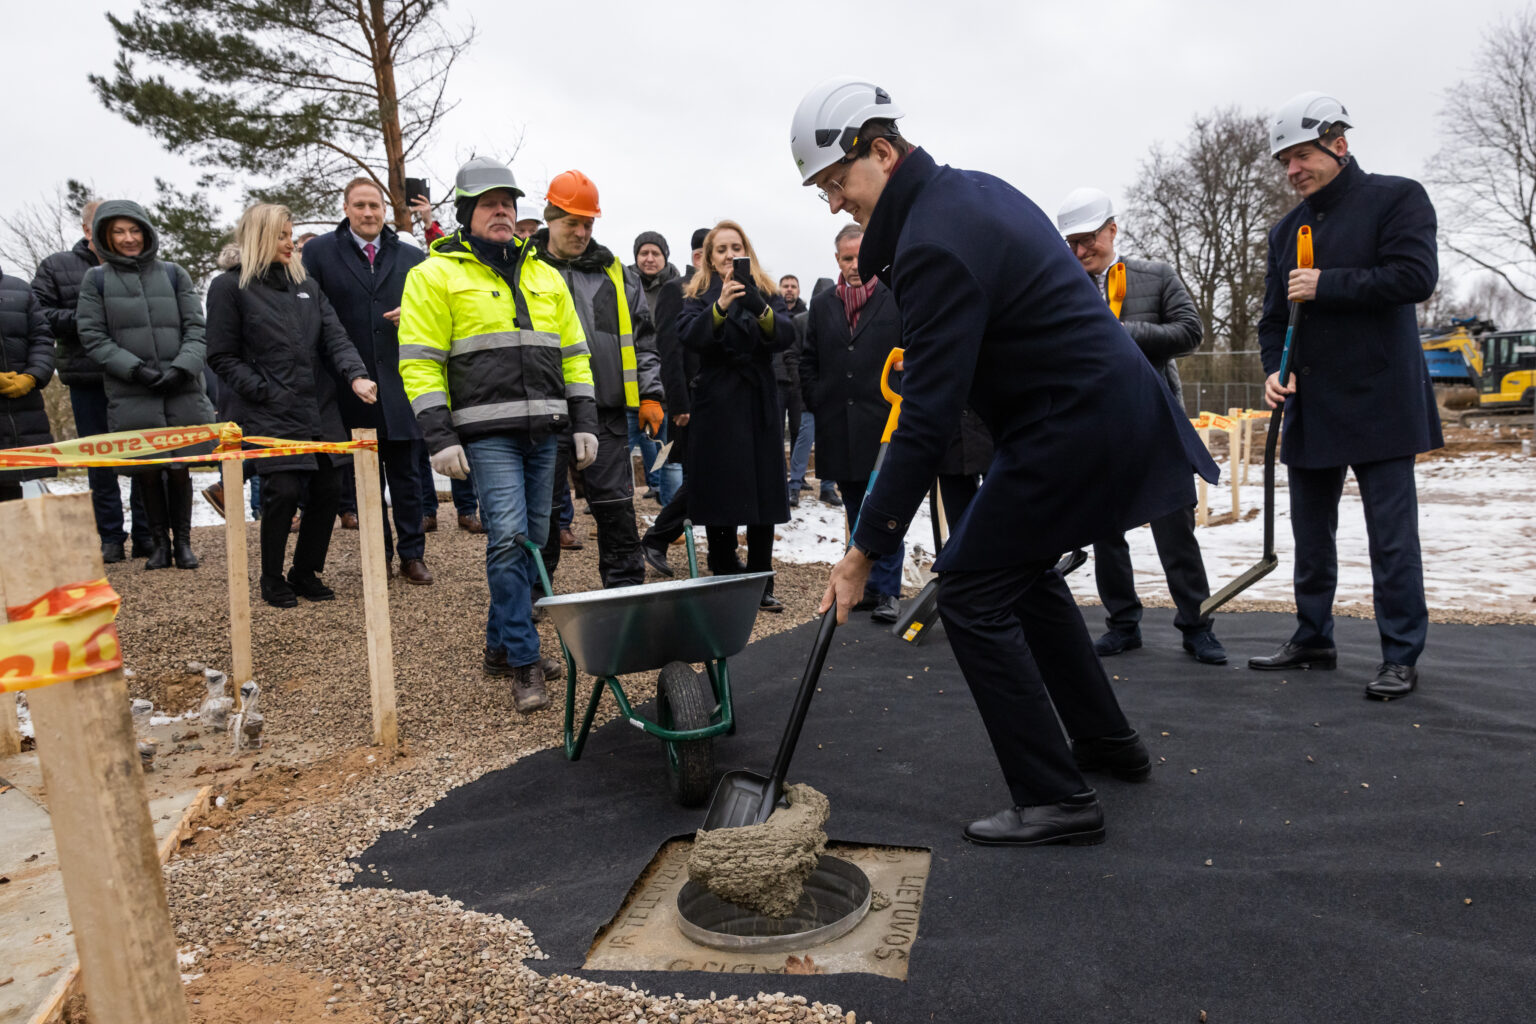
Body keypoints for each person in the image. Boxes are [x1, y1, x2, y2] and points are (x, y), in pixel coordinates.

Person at [794, 77, 1216, 846]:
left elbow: (923, 416)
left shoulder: (931, 241)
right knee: (1016, 578)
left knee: (969, 592)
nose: (833, 204)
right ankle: (1106, 743)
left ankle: (1056, 797)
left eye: (835, 182)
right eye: (822, 190)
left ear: (880, 152)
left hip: (1074, 423)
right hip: (1081, 415)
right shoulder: (966, 195)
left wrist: (863, 549)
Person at [1249, 93, 1441, 701]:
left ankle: (1400, 655)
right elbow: (1273, 318)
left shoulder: (1397, 197)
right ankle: (1313, 638)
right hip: (1311, 405)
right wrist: (1272, 372)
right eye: (1285, 161)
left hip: (1382, 398)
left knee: (1391, 537)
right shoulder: (1287, 231)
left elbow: (1415, 277)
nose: (1292, 170)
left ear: (1339, 145)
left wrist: (1327, 284)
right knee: (1312, 533)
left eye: (1302, 156)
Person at [399, 156, 595, 712]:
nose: (502, 213)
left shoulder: (544, 275)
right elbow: (419, 362)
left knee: (537, 542)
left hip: (546, 433)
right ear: (465, 214)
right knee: (508, 540)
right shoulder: (435, 275)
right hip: (487, 435)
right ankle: (525, 658)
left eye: (508, 204)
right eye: (489, 205)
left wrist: (582, 422)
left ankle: (499, 646)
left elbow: (575, 357)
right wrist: (439, 436)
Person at [1055, 187, 1226, 666]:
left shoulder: (1157, 276)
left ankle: (1197, 626)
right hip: (1096, 425)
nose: (1079, 250)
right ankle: (1122, 624)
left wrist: (1123, 334)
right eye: (1071, 242)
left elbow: (1190, 331)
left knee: (1176, 530)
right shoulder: (1061, 285)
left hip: (1158, 419)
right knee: (1107, 531)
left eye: (1088, 239)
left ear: (1112, 229)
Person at [206, 203, 378, 607]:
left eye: (290, 234)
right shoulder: (229, 287)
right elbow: (220, 355)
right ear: (261, 237)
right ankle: (271, 577)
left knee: (328, 488)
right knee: (281, 491)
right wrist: (262, 389)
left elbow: (334, 337)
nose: (290, 242)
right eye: (282, 235)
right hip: (270, 409)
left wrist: (355, 374)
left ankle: (305, 571)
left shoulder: (306, 286)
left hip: (319, 405)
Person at [530, 170, 663, 590]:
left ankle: (625, 595)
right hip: (542, 409)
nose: (582, 232)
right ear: (550, 218)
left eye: (588, 224)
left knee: (616, 508)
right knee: (544, 513)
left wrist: (651, 394)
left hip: (605, 410)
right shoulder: (523, 269)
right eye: (573, 223)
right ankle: (533, 597)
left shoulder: (616, 274)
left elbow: (643, 339)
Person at [302, 177, 434, 584]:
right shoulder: (320, 252)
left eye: (374, 205)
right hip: (348, 383)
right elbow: (312, 316)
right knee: (364, 479)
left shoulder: (410, 255)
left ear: (383, 209)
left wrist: (412, 314)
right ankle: (378, 553)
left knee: (407, 476)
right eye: (359, 205)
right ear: (346, 208)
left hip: (400, 381)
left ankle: (412, 555)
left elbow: (432, 310)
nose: (368, 213)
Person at [76, 200, 216, 571]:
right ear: (105, 236)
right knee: (148, 467)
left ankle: (184, 543)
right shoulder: (97, 280)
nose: (128, 238)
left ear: (147, 232)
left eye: (134, 230)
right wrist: (135, 370)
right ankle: (159, 544)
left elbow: (196, 329)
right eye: (118, 232)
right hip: (132, 388)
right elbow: (92, 336)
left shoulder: (173, 274)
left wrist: (181, 368)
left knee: (180, 466)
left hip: (180, 386)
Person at [678, 220, 793, 611]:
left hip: (757, 402)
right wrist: (722, 305)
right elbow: (690, 337)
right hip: (717, 404)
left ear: (747, 251)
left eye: (735, 247)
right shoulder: (697, 295)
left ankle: (761, 580)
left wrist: (758, 307)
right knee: (719, 489)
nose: (729, 255)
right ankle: (725, 571)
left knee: (763, 490)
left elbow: (786, 335)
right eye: (721, 249)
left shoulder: (766, 292)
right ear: (709, 257)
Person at [32, 200, 149, 558]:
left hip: (135, 374)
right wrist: (90, 318)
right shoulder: (56, 266)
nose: (120, 235)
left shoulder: (141, 264)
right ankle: (110, 537)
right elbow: (39, 315)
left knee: (143, 455)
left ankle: (148, 534)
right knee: (100, 460)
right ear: (88, 231)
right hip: (86, 375)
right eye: (107, 226)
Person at [799, 223, 904, 623]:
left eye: (861, 256)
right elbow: (808, 359)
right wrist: (818, 399)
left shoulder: (893, 297)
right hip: (838, 424)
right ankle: (866, 585)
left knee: (888, 503)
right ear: (837, 260)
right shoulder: (824, 305)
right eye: (847, 258)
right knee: (858, 504)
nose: (855, 265)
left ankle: (888, 591)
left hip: (884, 419)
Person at [627, 230, 681, 504]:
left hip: (665, 383)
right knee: (621, 449)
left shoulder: (679, 287)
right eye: (643, 253)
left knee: (663, 449)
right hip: (626, 382)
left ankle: (667, 502)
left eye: (655, 253)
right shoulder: (623, 285)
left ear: (665, 256)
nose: (649, 259)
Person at [0, 261, 56, 501]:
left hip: (19, 409)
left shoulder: (20, 289)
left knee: (10, 488)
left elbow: (43, 338)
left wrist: (33, 375)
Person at [775, 274, 807, 507]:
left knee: (799, 430)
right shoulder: (772, 312)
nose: (789, 290)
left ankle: (799, 475)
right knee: (776, 430)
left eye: (793, 286)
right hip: (776, 378)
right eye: (785, 286)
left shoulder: (807, 315)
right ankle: (778, 475)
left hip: (799, 382)